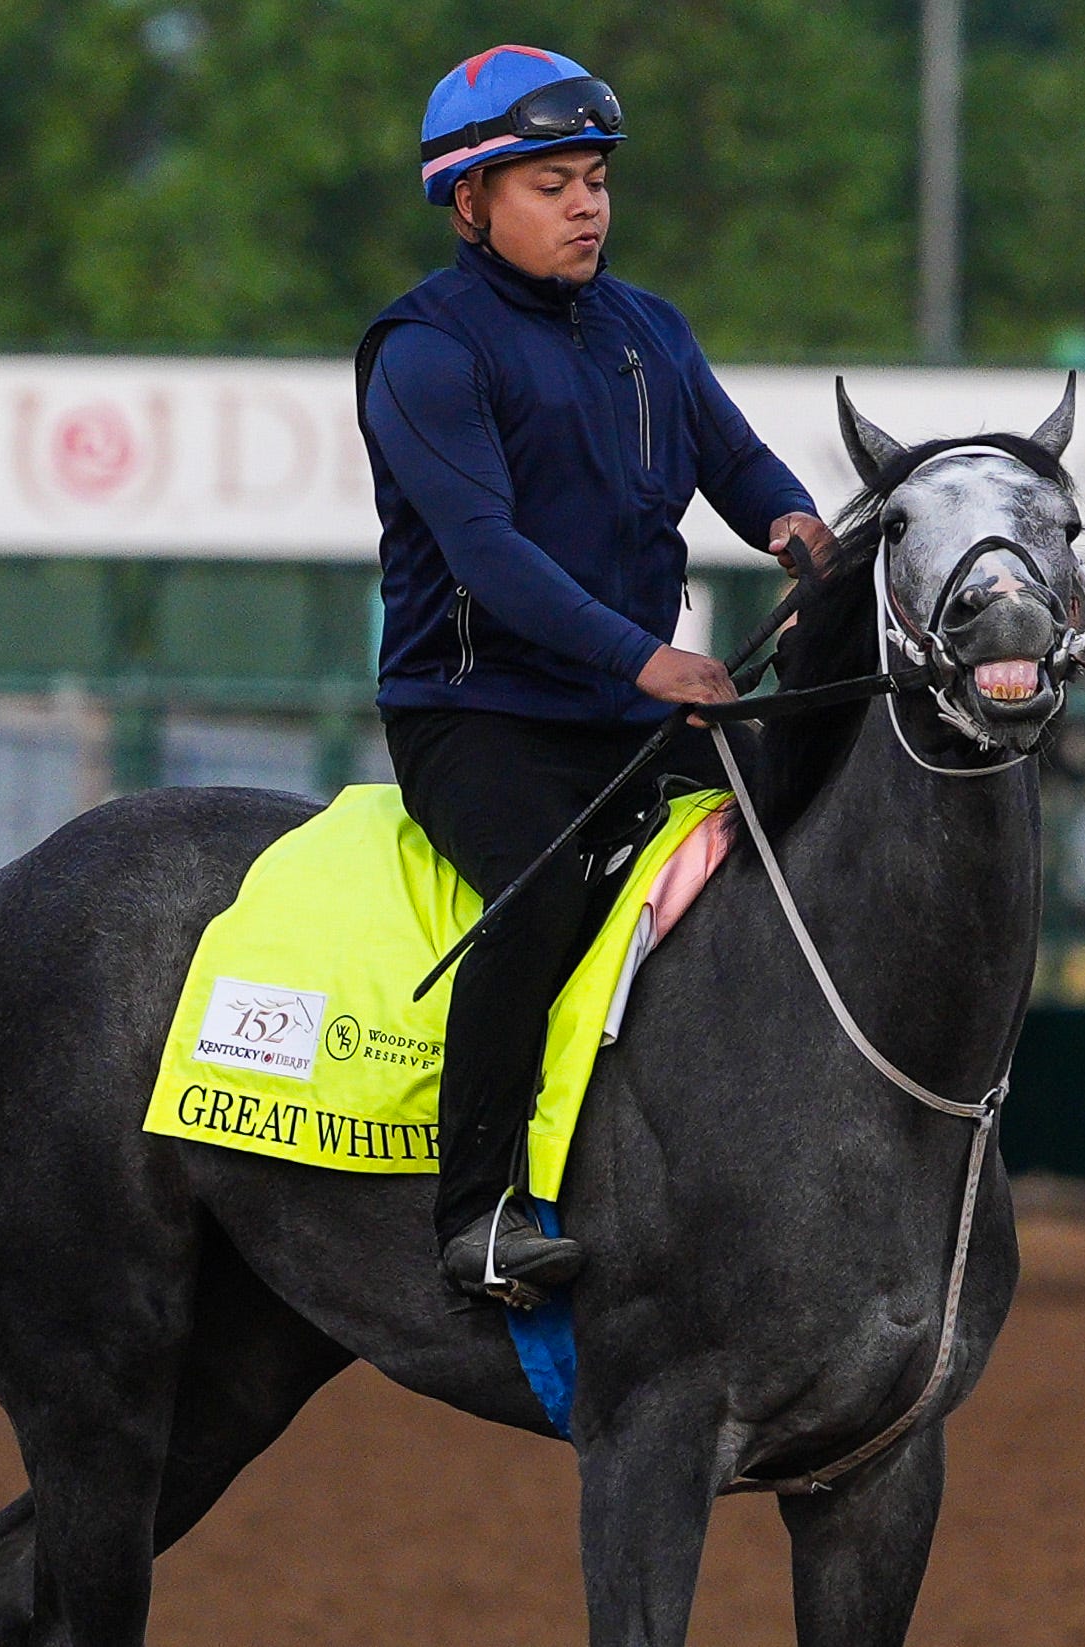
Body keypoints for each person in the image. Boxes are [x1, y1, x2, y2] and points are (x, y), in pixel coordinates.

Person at [355, 44, 837, 1302]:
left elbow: (740, 468)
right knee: (544, 889)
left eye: (595, 181)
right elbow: (487, 555)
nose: (586, 206)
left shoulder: (648, 332)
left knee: (818, 829)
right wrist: (646, 660)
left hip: (626, 706)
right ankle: (478, 1216)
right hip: (476, 720)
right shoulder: (422, 351)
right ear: (471, 204)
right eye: (550, 185)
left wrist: (796, 529)